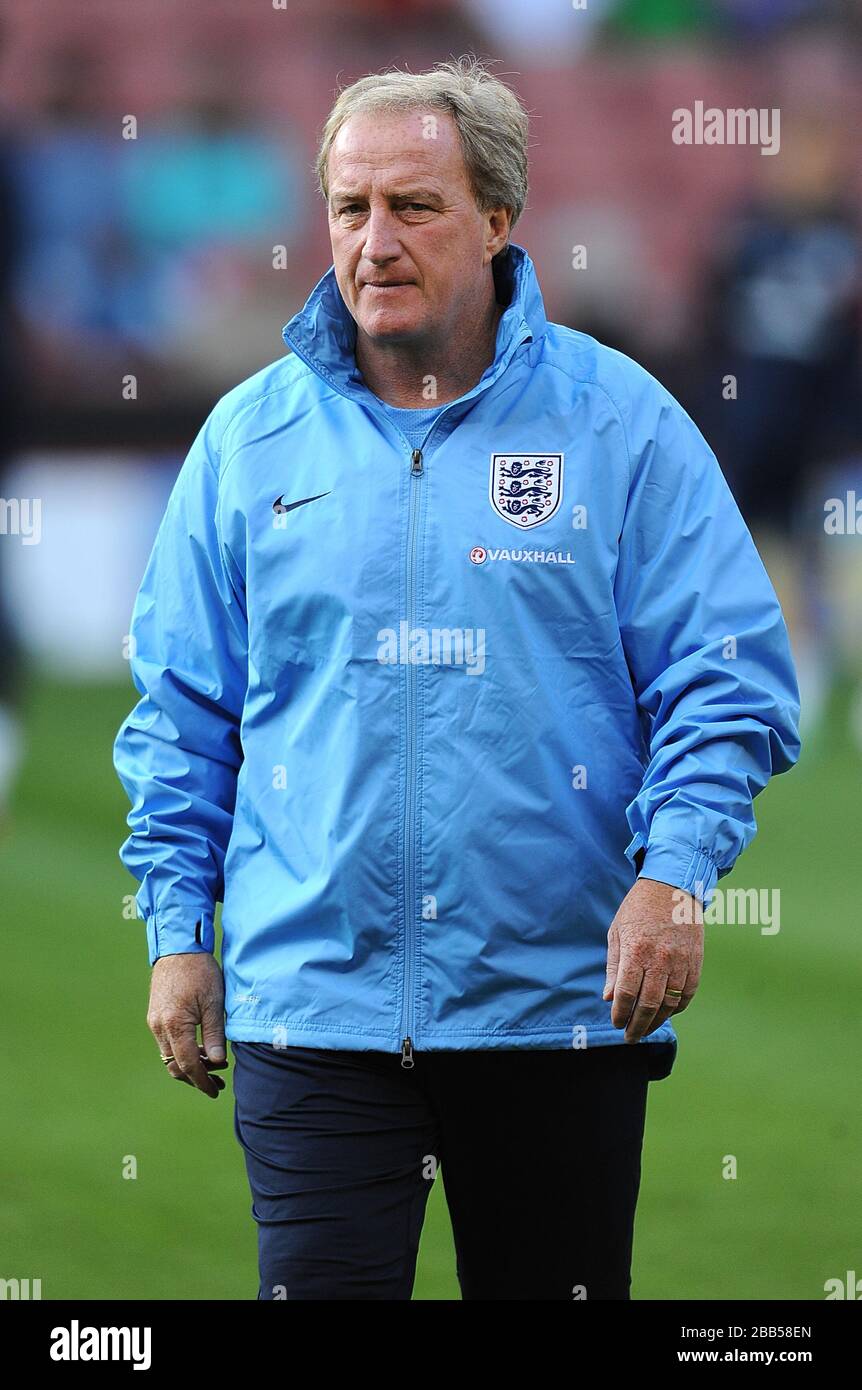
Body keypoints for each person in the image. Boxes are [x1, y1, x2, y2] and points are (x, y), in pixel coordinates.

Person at [113, 57, 801, 1301]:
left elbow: (730, 675)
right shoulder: (246, 441)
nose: (373, 241)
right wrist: (176, 933)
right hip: (311, 1019)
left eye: (413, 206)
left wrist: (670, 873)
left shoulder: (620, 424)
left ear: (497, 218)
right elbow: (181, 713)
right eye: (348, 207)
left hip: (554, 1010)